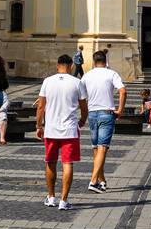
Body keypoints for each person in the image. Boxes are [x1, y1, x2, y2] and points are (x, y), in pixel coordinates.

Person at [37, 54, 88, 210]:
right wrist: (82, 121)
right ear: (71, 65)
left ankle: (51, 197)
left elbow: (41, 106)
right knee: (67, 163)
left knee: (50, 162)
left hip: (51, 129)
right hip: (70, 130)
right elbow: (84, 107)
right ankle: (64, 201)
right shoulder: (77, 82)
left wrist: (39, 125)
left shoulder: (47, 81)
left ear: (57, 65)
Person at [83, 49, 126, 192]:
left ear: (94, 61)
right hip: (106, 113)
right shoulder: (111, 73)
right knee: (103, 147)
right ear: (105, 61)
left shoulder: (87, 75)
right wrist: (120, 110)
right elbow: (122, 90)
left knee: (96, 148)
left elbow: (79, 95)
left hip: (92, 113)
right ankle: (93, 181)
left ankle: (102, 181)